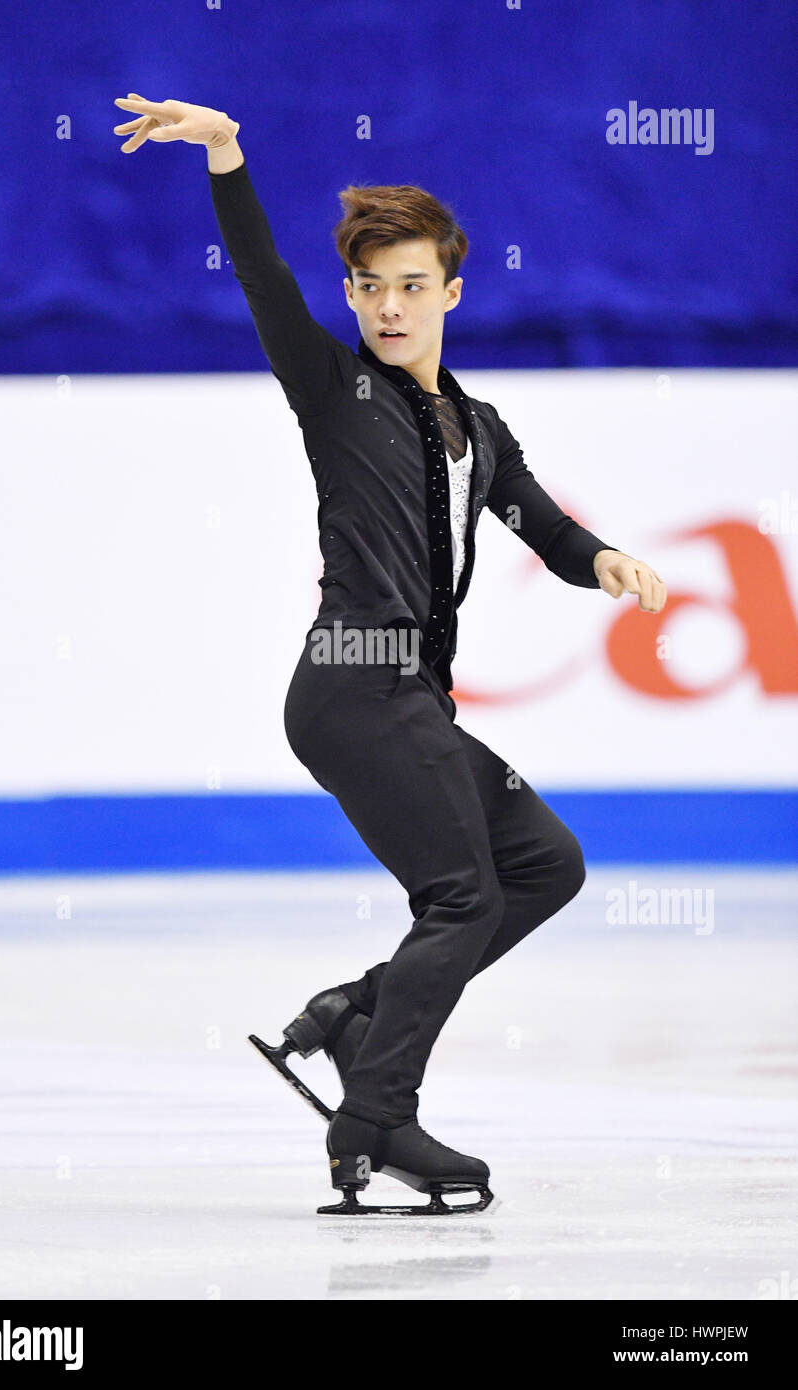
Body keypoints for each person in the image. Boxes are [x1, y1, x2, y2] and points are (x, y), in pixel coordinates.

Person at [113, 95, 668, 1214]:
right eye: (369, 286)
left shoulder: (478, 424)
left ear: (451, 292)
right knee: (460, 895)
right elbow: (265, 275)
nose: (388, 305)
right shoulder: (334, 387)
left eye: (412, 284)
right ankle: (373, 1118)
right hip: (349, 684)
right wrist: (227, 154)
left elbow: (541, 528)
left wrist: (602, 556)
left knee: (541, 864)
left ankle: (352, 1013)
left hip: (409, 693)